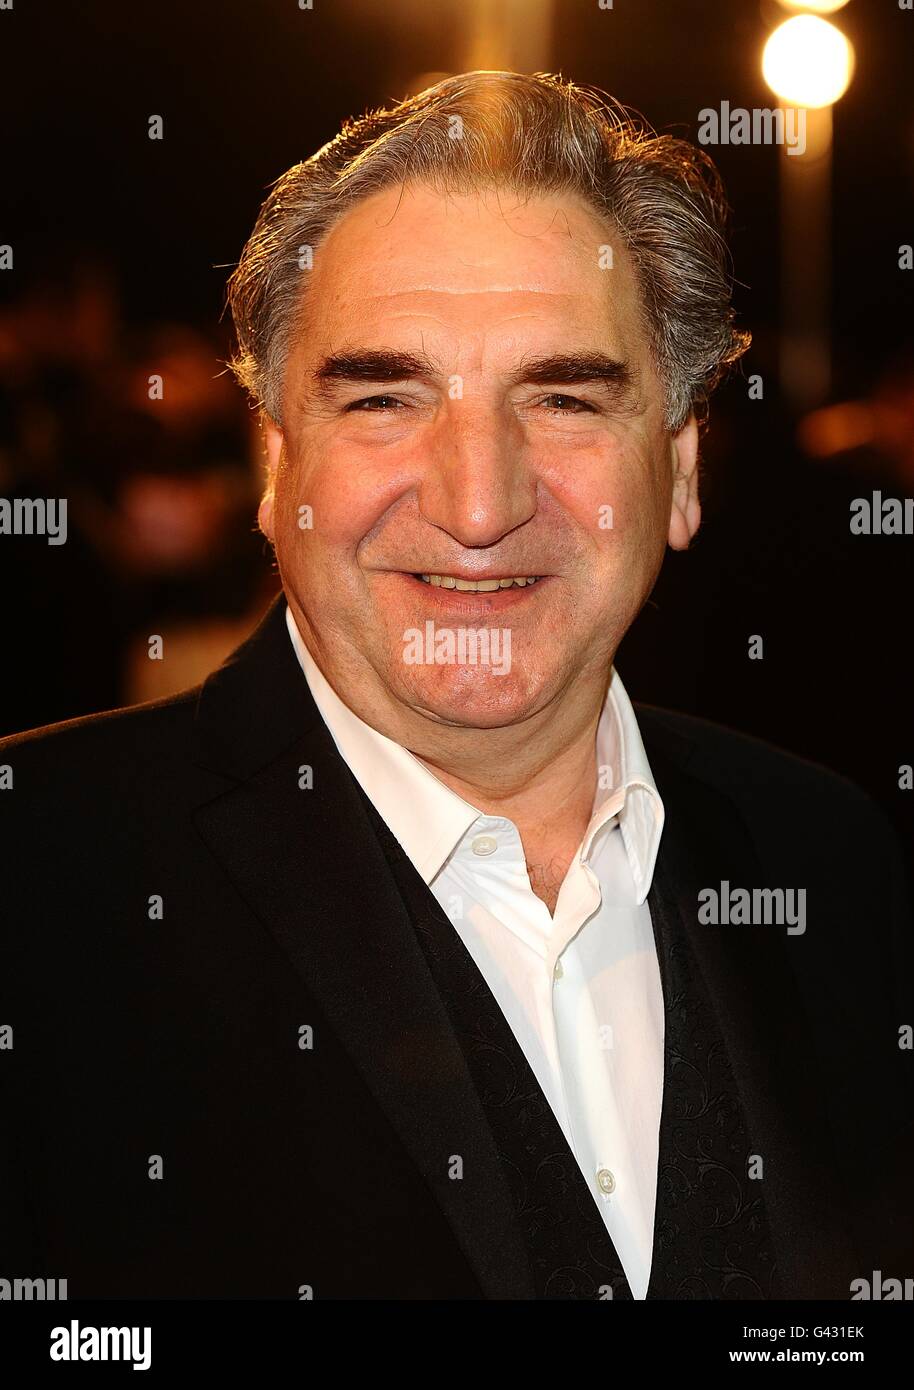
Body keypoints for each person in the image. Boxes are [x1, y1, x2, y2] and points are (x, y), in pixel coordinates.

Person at [1, 71, 910, 1301]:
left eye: (564, 397)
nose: (477, 504)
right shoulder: (36, 877)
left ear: (681, 466)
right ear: (272, 460)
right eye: (384, 397)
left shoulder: (831, 857)